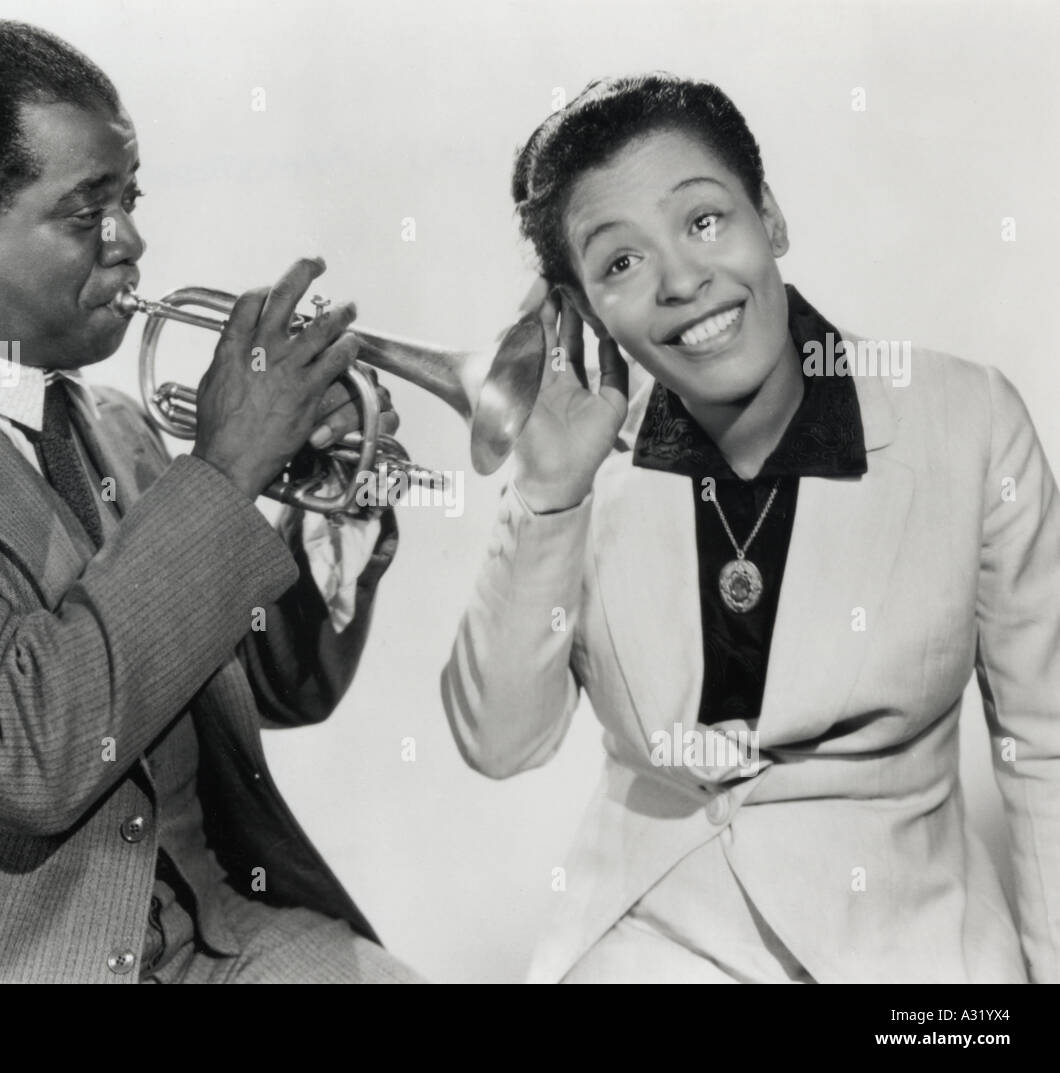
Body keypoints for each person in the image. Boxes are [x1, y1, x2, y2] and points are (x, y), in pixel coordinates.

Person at [0, 19, 421, 984]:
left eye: (132, 198)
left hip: (215, 942)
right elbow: (27, 751)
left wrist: (332, 491)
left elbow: (288, 686)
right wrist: (227, 471)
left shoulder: (116, 423)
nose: (132, 241)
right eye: (86, 213)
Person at [441, 72, 1060, 983]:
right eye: (621, 262)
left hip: (912, 961)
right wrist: (549, 499)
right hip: (651, 937)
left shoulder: (968, 421)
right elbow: (500, 742)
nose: (685, 280)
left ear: (768, 219)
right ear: (578, 311)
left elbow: (1045, 743)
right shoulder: (582, 465)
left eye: (704, 221)